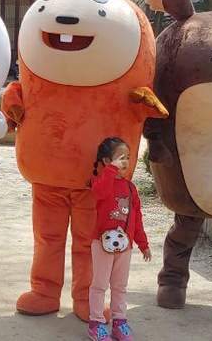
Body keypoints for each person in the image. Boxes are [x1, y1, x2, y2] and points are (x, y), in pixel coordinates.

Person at [88, 137, 150, 341]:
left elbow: (137, 218)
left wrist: (143, 244)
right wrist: (110, 171)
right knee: (99, 285)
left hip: (125, 247)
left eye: (129, 158)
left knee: (120, 286)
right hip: (101, 244)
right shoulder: (101, 182)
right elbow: (100, 193)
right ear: (107, 161)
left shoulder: (131, 188)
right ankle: (96, 323)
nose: (126, 162)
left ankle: (119, 322)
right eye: (120, 158)